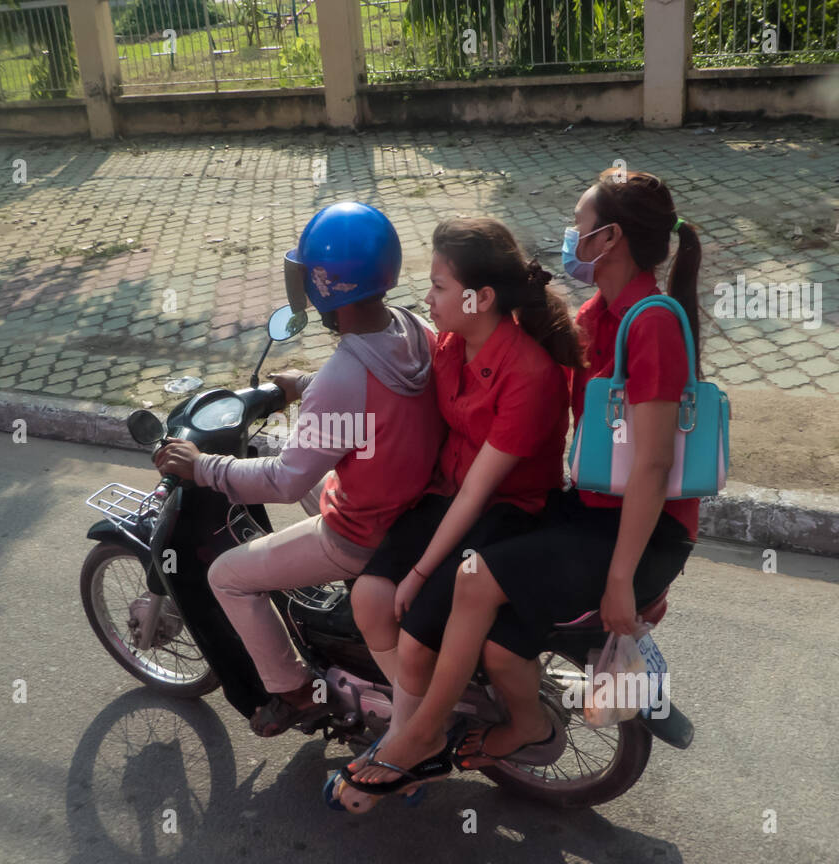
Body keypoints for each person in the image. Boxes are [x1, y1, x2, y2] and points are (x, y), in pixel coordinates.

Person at [348, 168, 703, 795]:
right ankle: (528, 729)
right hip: (588, 513)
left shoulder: (651, 322)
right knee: (501, 649)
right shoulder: (597, 314)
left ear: (610, 239)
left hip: (642, 532)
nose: (571, 237)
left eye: (580, 226)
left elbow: (651, 465)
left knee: (474, 577)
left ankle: (419, 736)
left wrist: (625, 579)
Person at [153, 202, 444, 737]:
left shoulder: (344, 372)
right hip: (413, 503)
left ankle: (294, 690)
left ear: (323, 286)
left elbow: (285, 481)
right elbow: (372, 404)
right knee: (321, 484)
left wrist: (204, 467)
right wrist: (305, 387)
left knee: (228, 576)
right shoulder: (414, 328)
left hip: (362, 532)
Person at [340, 217, 582, 807]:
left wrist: (420, 571)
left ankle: (411, 742)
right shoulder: (450, 343)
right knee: (369, 599)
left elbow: (479, 493)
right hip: (447, 497)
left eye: (440, 286)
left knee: (418, 638)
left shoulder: (530, 374)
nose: (428, 298)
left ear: (482, 297)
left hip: (504, 510)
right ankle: (419, 722)